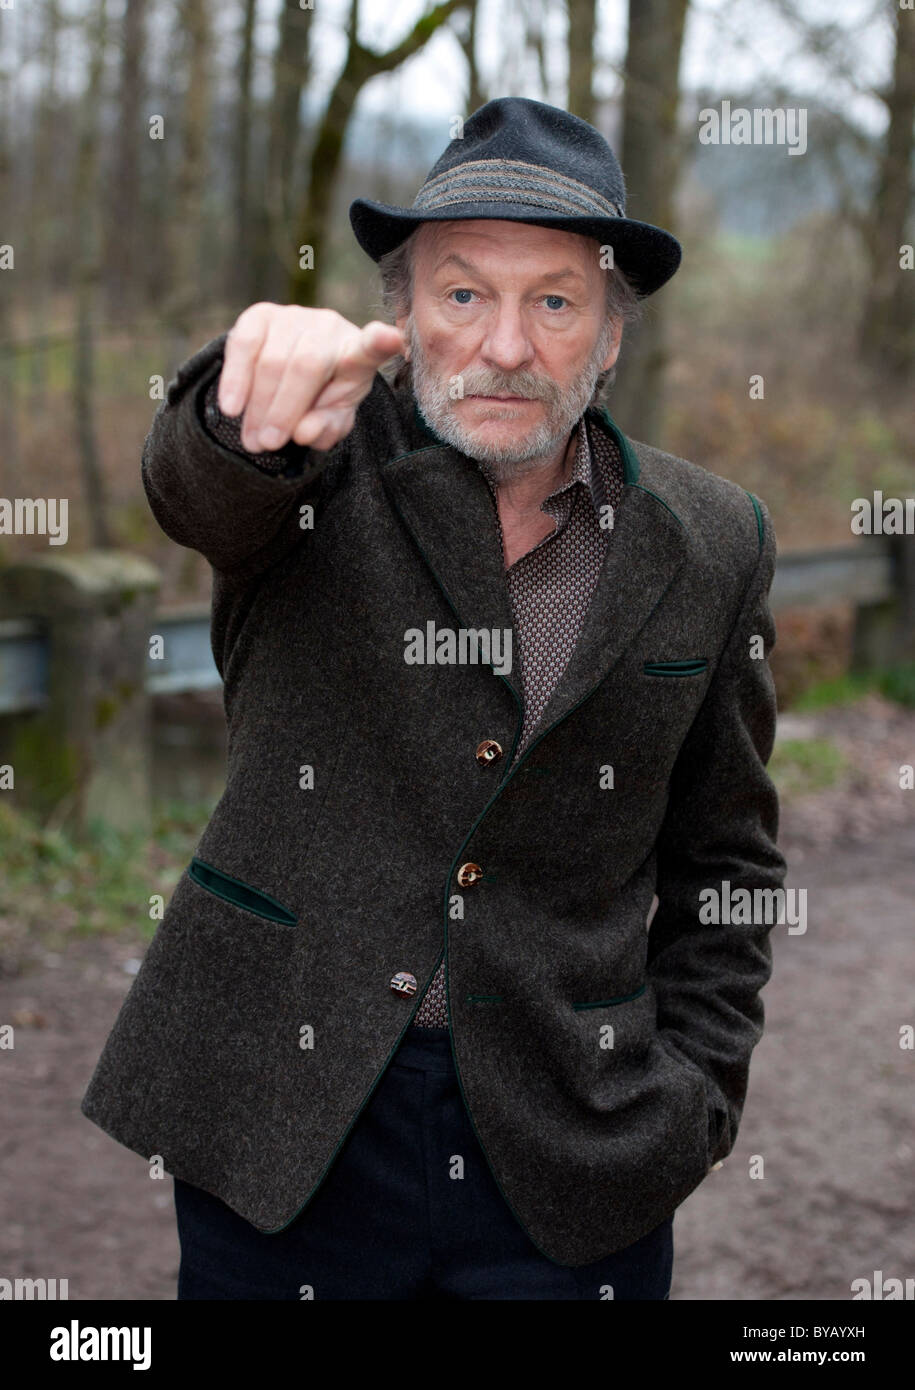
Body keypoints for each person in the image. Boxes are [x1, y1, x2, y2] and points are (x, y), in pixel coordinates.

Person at [81, 96, 787, 1300]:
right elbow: (195, 486)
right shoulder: (310, 469)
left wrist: (695, 1097)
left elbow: (731, 857)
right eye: (464, 294)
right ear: (401, 313)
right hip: (288, 1128)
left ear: (610, 336)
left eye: (555, 301)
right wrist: (241, 406)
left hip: (574, 1142)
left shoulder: (714, 540)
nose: (506, 345)